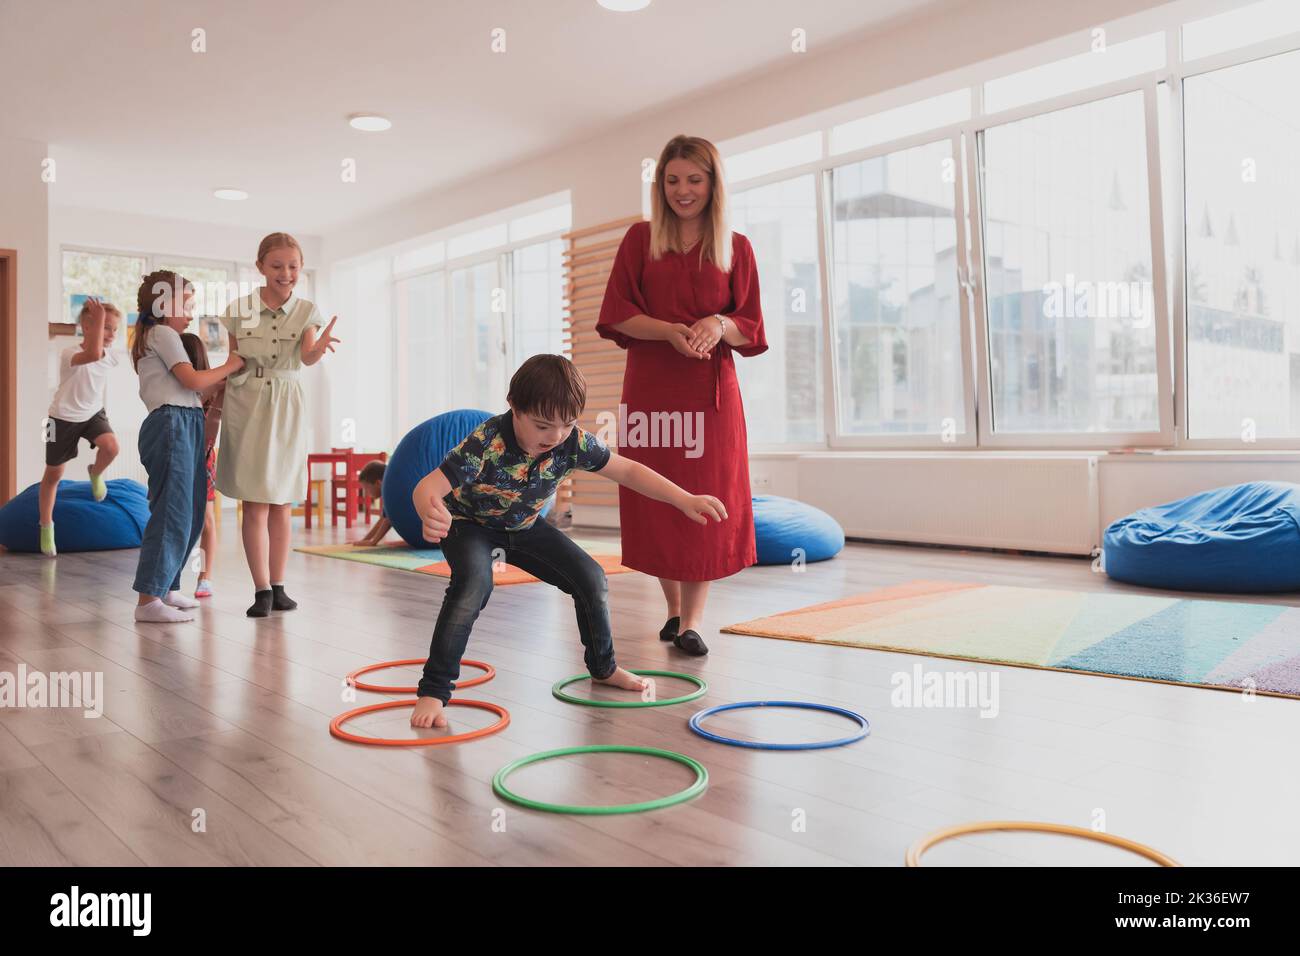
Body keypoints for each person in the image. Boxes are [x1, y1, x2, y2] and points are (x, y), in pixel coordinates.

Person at [408, 354, 727, 729]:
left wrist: (683, 498)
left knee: (591, 578)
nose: (555, 436)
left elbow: (628, 470)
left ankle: (604, 668)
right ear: (514, 407)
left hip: (525, 527)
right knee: (473, 585)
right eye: (543, 425)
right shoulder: (486, 441)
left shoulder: (573, 443)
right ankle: (434, 691)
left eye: (567, 424)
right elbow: (428, 486)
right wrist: (429, 510)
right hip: (470, 526)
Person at [596, 134, 768, 657]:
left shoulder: (736, 247)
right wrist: (668, 331)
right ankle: (671, 610)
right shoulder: (639, 239)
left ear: (713, 184)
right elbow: (617, 314)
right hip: (651, 391)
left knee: (706, 494)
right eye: (672, 180)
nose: (682, 190)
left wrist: (718, 323)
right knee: (657, 496)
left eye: (694, 179)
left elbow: (750, 325)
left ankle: (692, 621)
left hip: (711, 398)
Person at [215, 232, 341, 617]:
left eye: (293, 266)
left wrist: (319, 349)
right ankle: (262, 590)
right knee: (254, 502)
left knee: (282, 501)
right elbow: (232, 361)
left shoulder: (307, 311)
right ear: (260, 267)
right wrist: (213, 407)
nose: (286, 273)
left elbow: (307, 357)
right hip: (247, 403)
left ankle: (280, 585)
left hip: (287, 403)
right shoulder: (239, 310)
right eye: (277, 266)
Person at [129, 271, 243, 623]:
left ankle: (166, 587)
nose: (191, 313)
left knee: (191, 512)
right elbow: (191, 380)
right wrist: (230, 363)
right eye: (186, 304)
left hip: (185, 422)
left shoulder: (163, 336)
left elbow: (194, 392)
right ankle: (148, 600)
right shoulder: (162, 333)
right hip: (171, 425)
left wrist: (220, 385)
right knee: (172, 512)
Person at [38, 297, 123, 557]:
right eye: (105, 327)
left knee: (112, 447)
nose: (111, 334)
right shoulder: (69, 353)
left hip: (92, 413)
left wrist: (102, 321)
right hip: (59, 418)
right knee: (54, 475)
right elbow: (92, 354)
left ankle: (95, 474)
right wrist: (99, 319)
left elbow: (99, 354)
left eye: (114, 329)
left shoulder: (110, 356)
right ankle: (46, 526)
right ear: (86, 327)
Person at [179, 332, 225, 598]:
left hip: (202, 455)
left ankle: (204, 577)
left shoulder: (210, 388)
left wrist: (216, 395)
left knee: (206, 519)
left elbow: (210, 433)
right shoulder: (175, 388)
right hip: (180, 453)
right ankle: (176, 575)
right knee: (182, 518)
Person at [350, 460, 393, 547]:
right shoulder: (389, 489)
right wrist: (365, 540)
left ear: (378, 483)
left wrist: (373, 542)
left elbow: (390, 519)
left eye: (366, 488)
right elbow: (383, 519)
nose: (366, 493)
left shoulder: (390, 491)